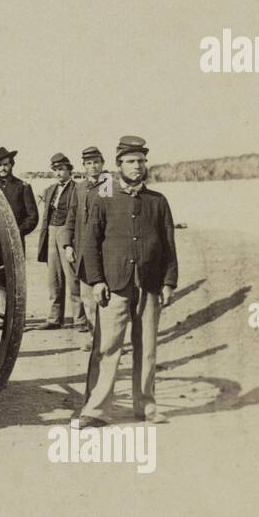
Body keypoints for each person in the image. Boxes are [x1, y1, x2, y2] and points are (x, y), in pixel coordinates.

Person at [76, 136, 178, 428]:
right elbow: (90, 244)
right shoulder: (104, 198)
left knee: (147, 349)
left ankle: (146, 407)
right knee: (107, 347)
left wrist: (169, 282)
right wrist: (96, 281)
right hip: (114, 287)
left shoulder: (157, 202)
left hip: (149, 285)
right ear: (119, 165)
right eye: (131, 161)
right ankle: (95, 410)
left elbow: (169, 245)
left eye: (141, 161)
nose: (137, 166)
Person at [67, 145, 107, 343]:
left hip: (104, 252)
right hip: (83, 252)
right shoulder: (79, 187)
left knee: (105, 300)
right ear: (83, 166)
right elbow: (71, 217)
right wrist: (68, 245)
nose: (93, 167)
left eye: (96, 163)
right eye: (89, 163)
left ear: (103, 164)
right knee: (87, 298)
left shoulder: (108, 186)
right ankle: (94, 339)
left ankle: (107, 340)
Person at [37, 153, 79, 329]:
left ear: (70, 171)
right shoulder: (50, 190)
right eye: (55, 170)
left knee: (72, 278)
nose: (58, 173)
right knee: (54, 278)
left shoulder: (78, 189)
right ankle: (55, 319)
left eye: (62, 169)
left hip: (68, 234)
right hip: (51, 233)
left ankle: (80, 320)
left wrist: (70, 241)